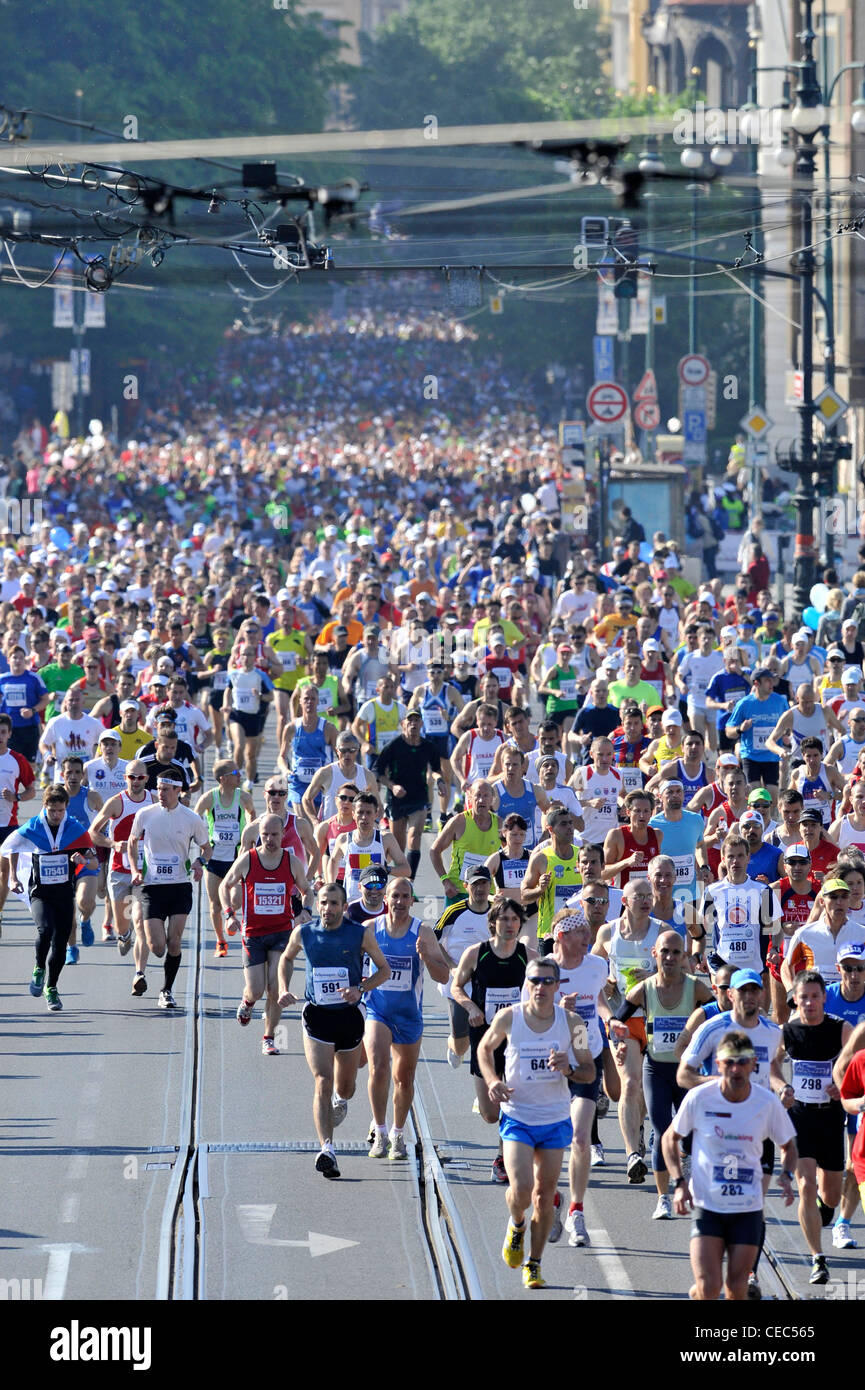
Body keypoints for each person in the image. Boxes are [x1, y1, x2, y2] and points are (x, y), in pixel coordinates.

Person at [477, 954, 594, 1289]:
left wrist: (569, 1068)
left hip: (555, 1119)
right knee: (523, 1189)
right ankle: (516, 1225)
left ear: (557, 986)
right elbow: (485, 1050)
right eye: (534, 981)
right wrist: (492, 1081)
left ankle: (535, 1262)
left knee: (545, 1196)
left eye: (547, 981)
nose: (540, 987)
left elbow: (589, 1070)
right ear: (525, 985)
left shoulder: (574, 1024)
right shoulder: (508, 1018)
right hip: (518, 1117)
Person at [662, 1029, 798, 1301]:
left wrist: (786, 1174)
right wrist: (678, 1183)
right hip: (708, 1206)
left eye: (743, 1062)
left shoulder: (766, 1102)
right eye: (729, 1062)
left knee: (737, 1288)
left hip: (747, 1209)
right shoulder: (700, 1097)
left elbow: (789, 1146)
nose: (736, 1069)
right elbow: (669, 1138)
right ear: (718, 1064)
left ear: (753, 1065)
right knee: (710, 1286)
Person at [277, 882, 391, 1179]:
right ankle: (327, 1149)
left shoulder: (359, 933)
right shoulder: (304, 932)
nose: (328, 909)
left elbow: (384, 970)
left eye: (334, 903)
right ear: (318, 905)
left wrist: (360, 989)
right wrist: (283, 988)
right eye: (324, 903)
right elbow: (286, 958)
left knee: (346, 1087)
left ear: (343, 906)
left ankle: (341, 1102)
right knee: (322, 1082)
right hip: (317, 1016)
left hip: (349, 1018)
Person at [611, 931, 712, 1220]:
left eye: (676, 953)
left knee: (691, 1128)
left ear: (683, 957)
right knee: (662, 1130)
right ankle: (663, 1198)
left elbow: (718, 1015)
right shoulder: (644, 989)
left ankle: (690, 1174)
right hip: (655, 1068)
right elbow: (617, 1019)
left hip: (686, 1072)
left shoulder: (696, 988)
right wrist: (618, 1040)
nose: (669, 958)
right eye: (664, 952)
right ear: (654, 954)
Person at [365, 878, 450, 1159]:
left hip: (409, 1015)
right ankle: (380, 1131)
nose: (400, 902)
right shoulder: (370, 930)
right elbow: (350, 960)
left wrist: (426, 957)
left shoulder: (422, 932)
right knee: (378, 1067)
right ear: (385, 899)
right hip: (378, 1010)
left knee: (404, 1078)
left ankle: (398, 1134)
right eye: (395, 896)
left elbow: (443, 976)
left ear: (412, 901)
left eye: (405, 896)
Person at [545, 908, 616, 1246]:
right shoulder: (543, 970)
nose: (589, 937)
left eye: (589, 932)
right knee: (548, 1143)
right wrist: (561, 1010)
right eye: (580, 933)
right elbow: (528, 1013)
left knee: (579, 1138)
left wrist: (609, 1018)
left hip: (586, 1059)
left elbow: (599, 997)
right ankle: (553, 1198)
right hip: (549, 1062)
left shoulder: (597, 966)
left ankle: (576, 1211)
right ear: (561, 936)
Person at [451, 897, 533, 1182]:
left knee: (511, 1100)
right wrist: (471, 1007)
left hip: (516, 1039)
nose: (510, 925)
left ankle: (504, 1156)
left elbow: (548, 985)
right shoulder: (476, 953)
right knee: (489, 1112)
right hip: (484, 1037)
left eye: (514, 919)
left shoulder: (528, 955)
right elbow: (456, 986)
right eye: (504, 919)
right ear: (493, 923)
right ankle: (506, 1144)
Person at [779, 970, 852, 1284]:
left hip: (831, 1118)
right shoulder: (787, 1030)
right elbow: (769, 1063)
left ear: (824, 997)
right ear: (795, 999)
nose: (808, 1003)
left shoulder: (840, 1028)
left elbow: (857, 1063)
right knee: (806, 1185)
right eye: (803, 997)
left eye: (814, 996)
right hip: (800, 1118)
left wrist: (844, 1086)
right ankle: (817, 1259)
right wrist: (781, 1085)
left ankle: (824, 1209)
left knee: (831, 1197)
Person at [593, 878, 665, 1182]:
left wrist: (655, 973)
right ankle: (632, 1154)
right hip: (624, 1018)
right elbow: (591, 973)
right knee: (630, 1082)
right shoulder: (608, 933)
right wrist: (605, 988)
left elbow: (682, 970)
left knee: (648, 1094)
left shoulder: (662, 932)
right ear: (625, 900)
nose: (647, 901)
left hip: (657, 1018)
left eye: (650, 896)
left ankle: (639, 1125)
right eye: (640, 896)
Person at [219, 814, 309, 1056]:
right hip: (253, 934)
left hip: (282, 933)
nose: (269, 839)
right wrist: (229, 914)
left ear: (283, 835)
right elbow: (224, 886)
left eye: (275, 835)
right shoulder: (248, 860)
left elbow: (307, 890)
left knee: (276, 988)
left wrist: (304, 912)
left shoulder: (291, 861)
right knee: (256, 989)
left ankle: (268, 1037)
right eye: (265, 834)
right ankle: (248, 1002)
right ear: (260, 834)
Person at [3, 784, 97, 1012]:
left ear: (66, 808)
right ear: (45, 807)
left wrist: (82, 862)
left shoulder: (74, 828)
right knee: (45, 930)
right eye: (52, 810)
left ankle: (51, 987)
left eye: (60, 811)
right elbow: (11, 847)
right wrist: (13, 878)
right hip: (40, 893)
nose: (56, 816)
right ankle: (38, 968)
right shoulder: (34, 826)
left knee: (60, 943)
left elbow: (94, 862)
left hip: (64, 893)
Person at [127, 775, 211, 1008]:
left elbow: (206, 848)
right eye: (159, 789)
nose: (161, 793)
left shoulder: (191, 818)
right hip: (152, 887)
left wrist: (198, 863)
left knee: (174, 943)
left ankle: (166, 990)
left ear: (178, 791)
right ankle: (144, 970)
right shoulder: (145, 814)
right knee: (157, 946)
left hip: (179, 886)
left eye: (166, 790)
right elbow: (132, 841)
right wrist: (134, 868)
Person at [88, 759, 153, 964]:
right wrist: (113, 844)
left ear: (146, 779)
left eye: (140, 777)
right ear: (125, 778)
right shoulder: (116, 802)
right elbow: (93, 833)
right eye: (131, 777)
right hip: (119, 870)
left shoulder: (155, 800)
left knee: (141, 921)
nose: (136, 781)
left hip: (145, 872)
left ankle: (139, 971)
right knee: (122, 924)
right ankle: (124, 935)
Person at [434, 865, 496, 1067]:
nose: (480, 889)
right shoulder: (454, 911)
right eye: (475, 884)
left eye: (484, 883)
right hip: (459, 984)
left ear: (490, 885)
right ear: (466, 886)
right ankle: (454, 1045)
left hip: (488, 983)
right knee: (462, 1045)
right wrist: (452, 966)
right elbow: (434, 940)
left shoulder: (497, 913)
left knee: (489, 1039)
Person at [194, 761, 255, 957]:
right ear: (224, 778)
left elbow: (252, 813)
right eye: (236, 772)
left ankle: (230, 916)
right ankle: (221, 941)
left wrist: (249, 829)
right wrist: (202, 838)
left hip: (236, 859)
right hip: (214, 859)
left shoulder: (243, 796)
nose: (240, 776)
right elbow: (194, 818)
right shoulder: (209, 798)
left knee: (236, 900)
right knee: (214, 905)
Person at [374, 708, 442, 875]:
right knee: (398, 845)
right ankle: (390, 875)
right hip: (397, 800)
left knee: (414, 836)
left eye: (416, 720)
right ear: (403, 723)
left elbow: (436, 769)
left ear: (421, 723)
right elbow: (377, 771)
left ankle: (409, 881)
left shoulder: (428, 747)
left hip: (419, 798)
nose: (413, 723)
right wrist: (392, 786)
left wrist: (440, 781)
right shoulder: (394, 746)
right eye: (410, 720)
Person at [327, 790, 409, 902]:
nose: (364, 817)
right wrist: (331, 887)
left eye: (368, 812)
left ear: (376, 814)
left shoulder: (386, 839)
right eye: (360, 812)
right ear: (353, 814)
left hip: (377, 904)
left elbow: (406, 870)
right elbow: (333, 861)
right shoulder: (344, 839)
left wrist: (386, 869)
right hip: (351, 903)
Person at [430, 779, 500, 907]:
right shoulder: (459, 822)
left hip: (487, 893)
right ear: (470, 798)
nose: (481, 800)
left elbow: (509, 855)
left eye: (485, 796)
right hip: (459, 892)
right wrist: (445, 881)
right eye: (477, 795)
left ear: (492, 799)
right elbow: (434, 850)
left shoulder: (500, 825)